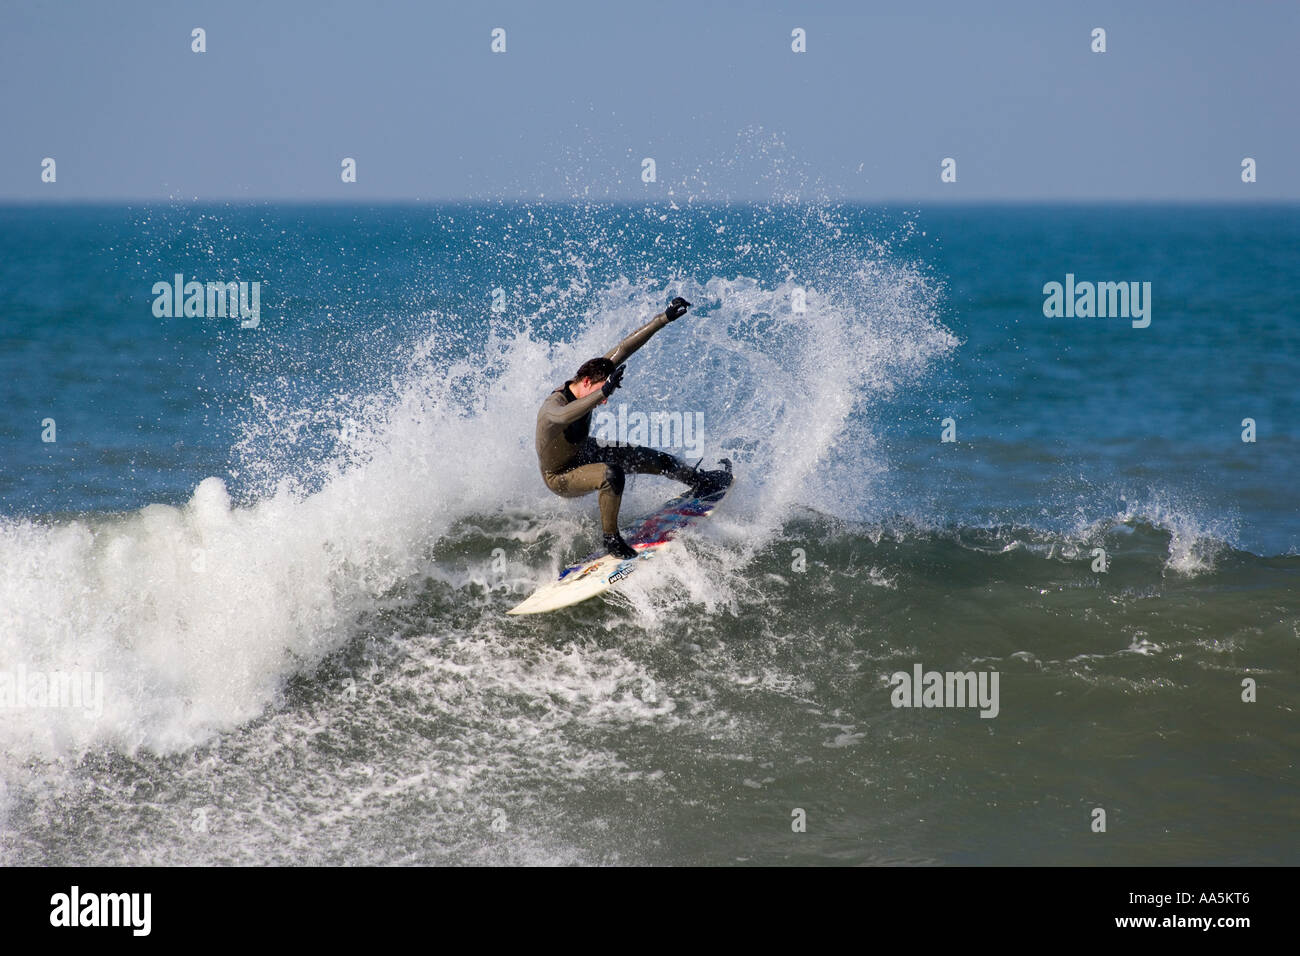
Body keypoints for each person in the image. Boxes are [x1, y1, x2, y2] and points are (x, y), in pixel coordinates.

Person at [535, 296, 730, 559]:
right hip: (560, 475)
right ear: (584, 381)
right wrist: (602, 392)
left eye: (605, 394)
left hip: (586, 451)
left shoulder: (593, 376)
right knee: (611, 475)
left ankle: (700, 482)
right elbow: (563, 416)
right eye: (600, 392)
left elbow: (624, 348)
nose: (603, 400)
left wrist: (664, 318)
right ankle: (611, 540)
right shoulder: (553, 405)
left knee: (657, 459)